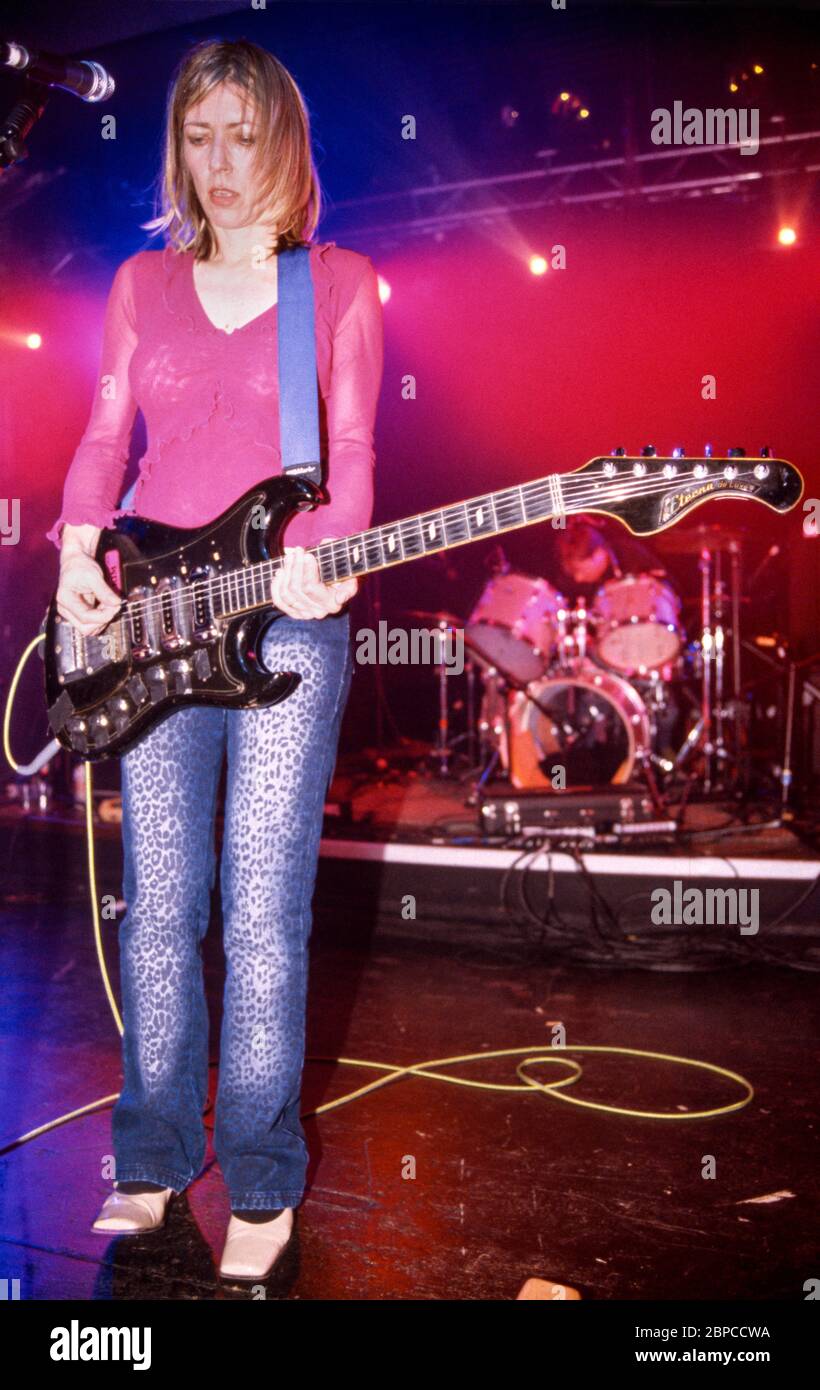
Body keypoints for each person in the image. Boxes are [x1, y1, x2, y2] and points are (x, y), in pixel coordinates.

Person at [48, 38, 383, 1281]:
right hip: (151, 615)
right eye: (199, 136)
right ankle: (145, 1154)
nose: (222, 162)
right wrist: (80, 548)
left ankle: (258, 1172)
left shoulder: (337, 282)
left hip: (285, 617)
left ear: (282, 141)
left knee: (261, 909)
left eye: (243, 134)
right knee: (158, 909)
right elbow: (102, 435)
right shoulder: (141, 281)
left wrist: (327, 553)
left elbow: (348, 462)